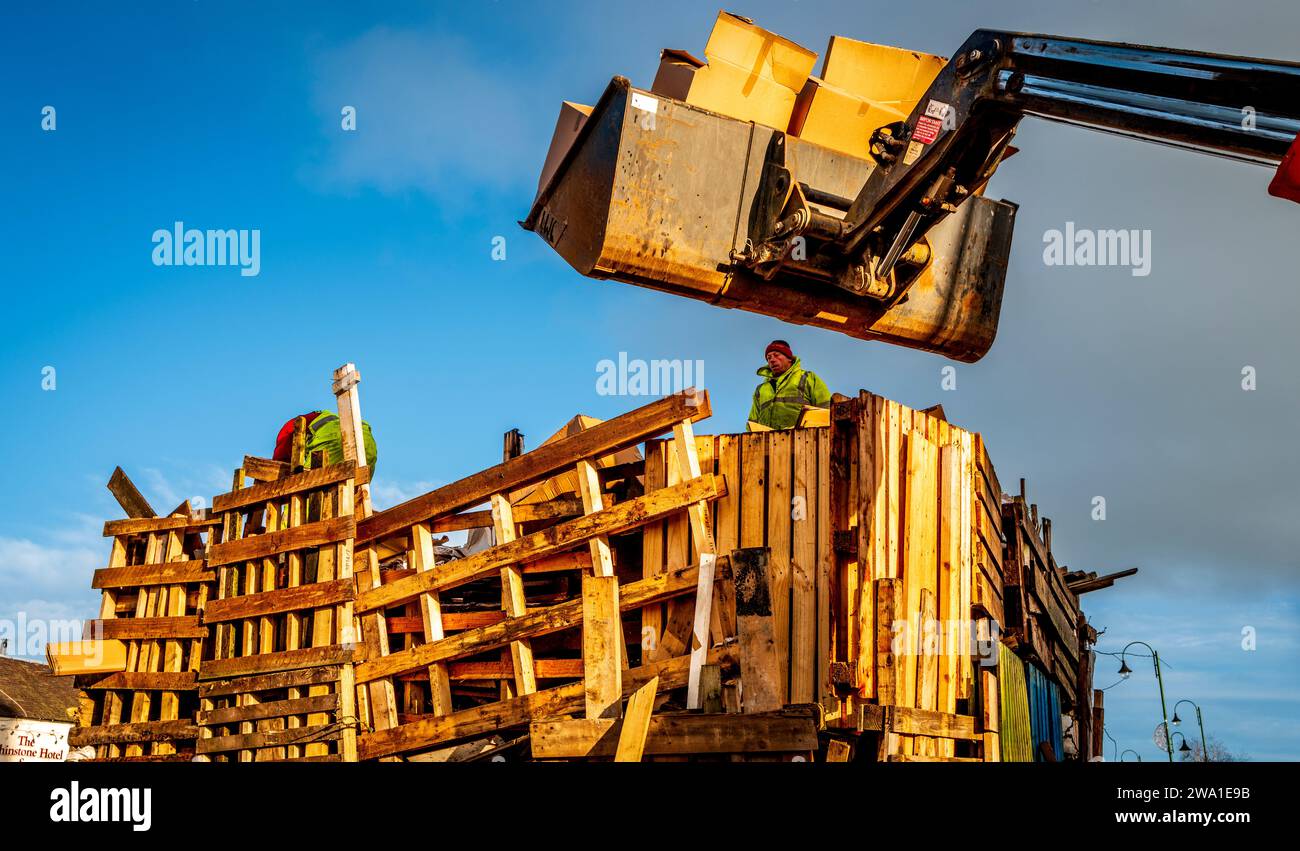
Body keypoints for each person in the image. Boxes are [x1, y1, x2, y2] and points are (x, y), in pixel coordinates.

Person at [747, 340, 831, 430]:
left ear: (789, 358)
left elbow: (827, 410)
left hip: (804, 440)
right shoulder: (761, 389)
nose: (771, 360)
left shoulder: (808, 378)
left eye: (776, 355)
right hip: (768, 442)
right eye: (768, 357)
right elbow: (752, 422)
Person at [272, 410, 377, 470]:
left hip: (333, 437)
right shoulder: (328, 417)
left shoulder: (291, 427)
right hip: (367, 442)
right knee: (356, 494)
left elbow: (277, 466)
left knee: (305, 490)